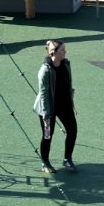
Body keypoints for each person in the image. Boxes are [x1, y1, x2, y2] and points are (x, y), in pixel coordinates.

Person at [34, 38, 77, 173]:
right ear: (53, 52)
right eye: (63, 50)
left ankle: (67, 159)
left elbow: (68, 83)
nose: (65, 52)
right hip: (48, 108)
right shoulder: (45, 71)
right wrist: (46, 115)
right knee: (47, 135)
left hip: (65, 105)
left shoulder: (66, 64)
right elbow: (44, 94)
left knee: (72, 131)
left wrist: (71, 98)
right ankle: (45, 163)